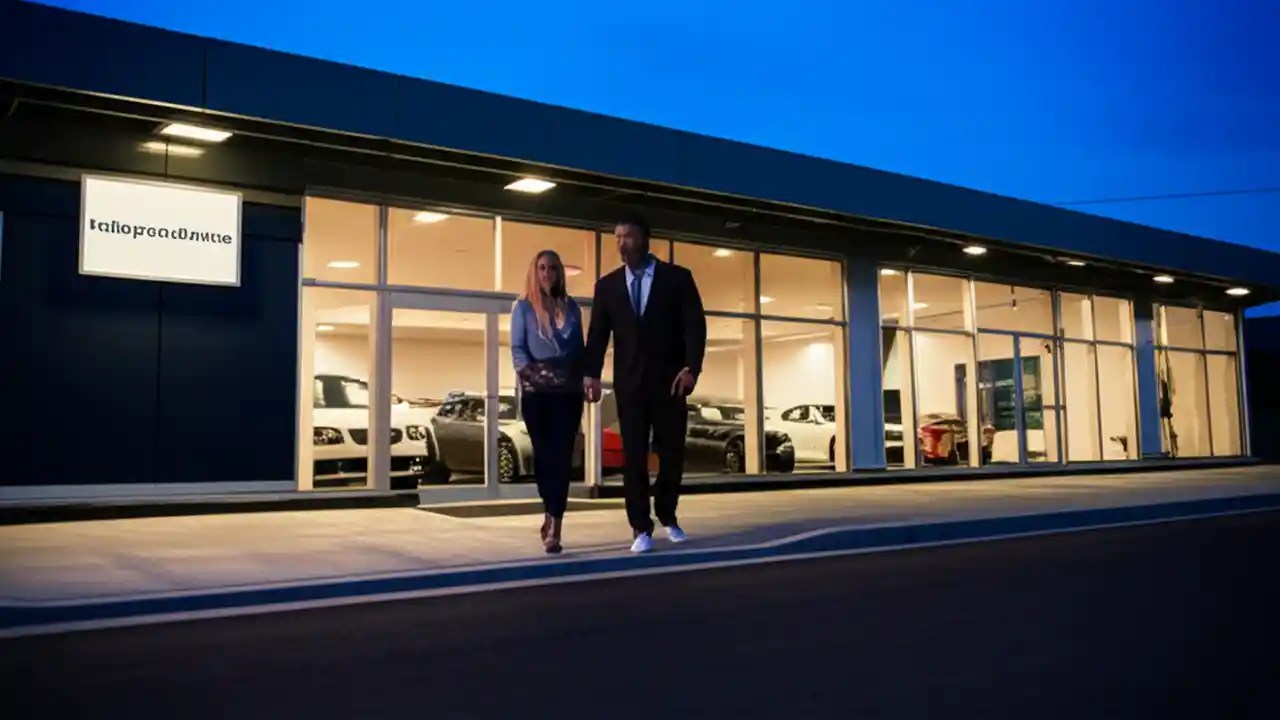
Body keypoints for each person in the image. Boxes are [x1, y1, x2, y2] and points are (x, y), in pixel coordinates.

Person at [584, 213, 706, 553]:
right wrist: (591, 375)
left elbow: (695, 326)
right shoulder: (607, 286)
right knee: (633, 457)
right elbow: (598, 334)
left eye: (628, 236)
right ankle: (641, 526)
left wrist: (692, 368)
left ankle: (668, 516)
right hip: (630, 385)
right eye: (617, 237)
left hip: (671, 384)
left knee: (671, 454)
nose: (622, 243)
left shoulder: (677, 279)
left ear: (645, 239)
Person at [511, 250, 585, 554]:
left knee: (562, 458)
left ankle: (556, 523)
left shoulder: (572, 308)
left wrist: (584, 377)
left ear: (559, 273)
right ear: (534, 272)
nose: (546, 273)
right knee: (544, 459)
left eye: (552, 268)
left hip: (568, 394)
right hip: (537, 394)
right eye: (541, 268)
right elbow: (518, 349)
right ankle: (548, 509)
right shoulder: (523, 308)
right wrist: (536, 377)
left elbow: (579, 349)